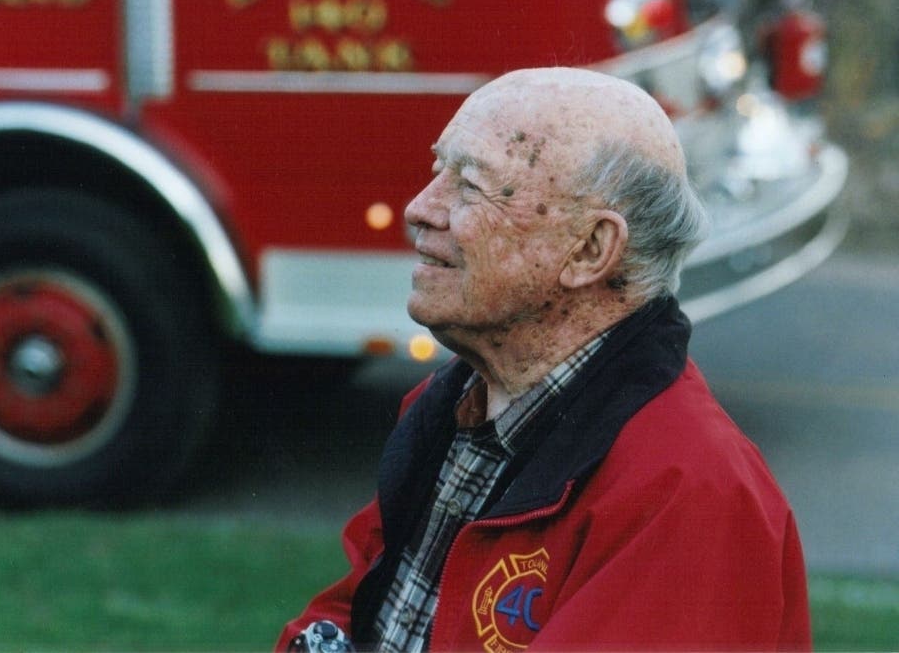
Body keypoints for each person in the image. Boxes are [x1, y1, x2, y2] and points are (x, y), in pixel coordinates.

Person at [277, 67, 811, 652]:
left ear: (589, 250)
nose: (419, 208)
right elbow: (356, 614)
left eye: (471, 186)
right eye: (439, 172)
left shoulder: (690, 497)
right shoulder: (457, 408)